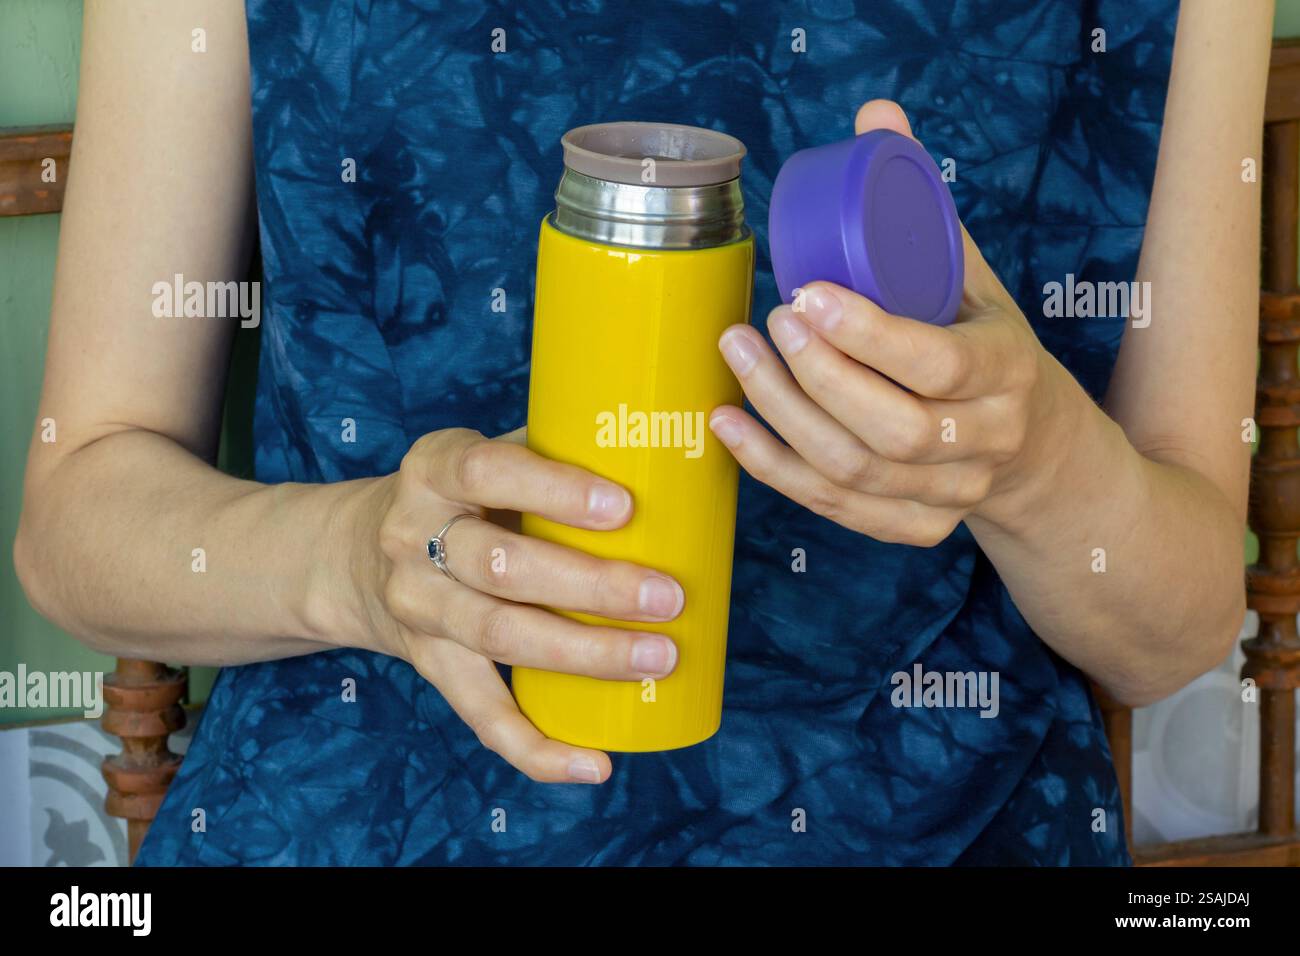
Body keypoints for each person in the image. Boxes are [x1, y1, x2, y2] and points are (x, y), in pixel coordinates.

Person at [14, 0, 1271, 865]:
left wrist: (1038, 462)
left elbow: (1173, 626)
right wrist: (351, 560)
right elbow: (77, 518)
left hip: (938, 821)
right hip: (366, 814)